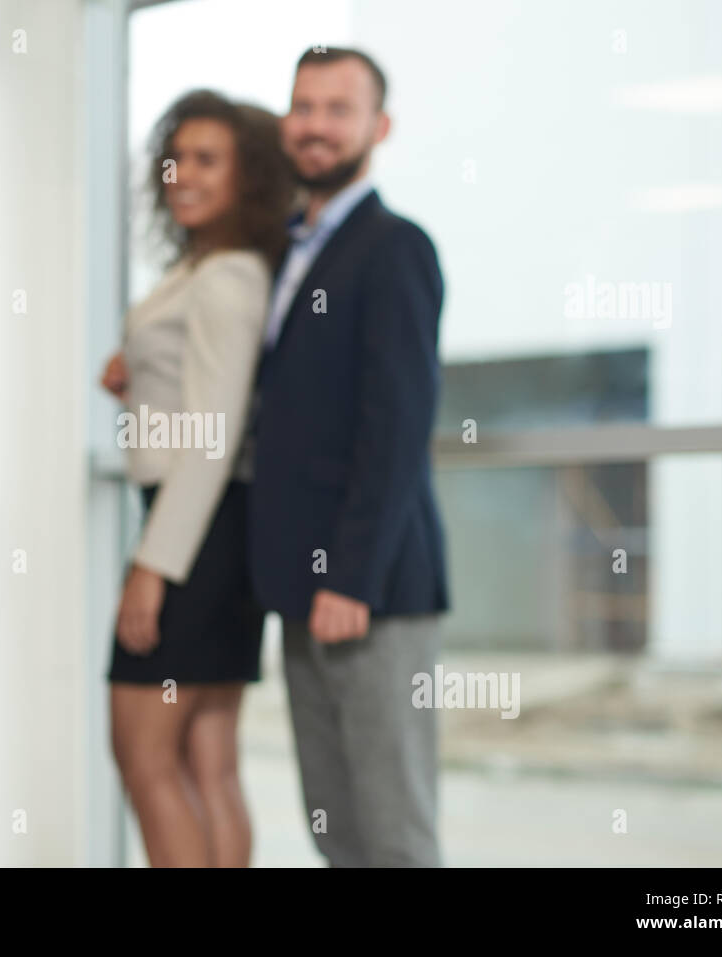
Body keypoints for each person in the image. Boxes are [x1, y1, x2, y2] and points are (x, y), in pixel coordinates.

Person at [248, 47, 449, 867]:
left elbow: (399, 425)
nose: (316, 125)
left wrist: (351, 576)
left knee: (393, 831)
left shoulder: (394, 246)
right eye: (304, 107)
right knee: (337, 823)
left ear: (380, 127)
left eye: (338, 109)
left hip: (372, 593)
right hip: (308, 586)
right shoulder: (293, 249)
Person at [99, 90, 292, 867]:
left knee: (145, 759)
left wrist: (152, 566)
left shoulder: (225, 278)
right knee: (207, 763)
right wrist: (138, 371)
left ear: (248, 178)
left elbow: (210, 441)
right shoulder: (209, 270)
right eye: (176, 158)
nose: (183, 174)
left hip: (192, 530)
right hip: (219, 530)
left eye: (208, 160)